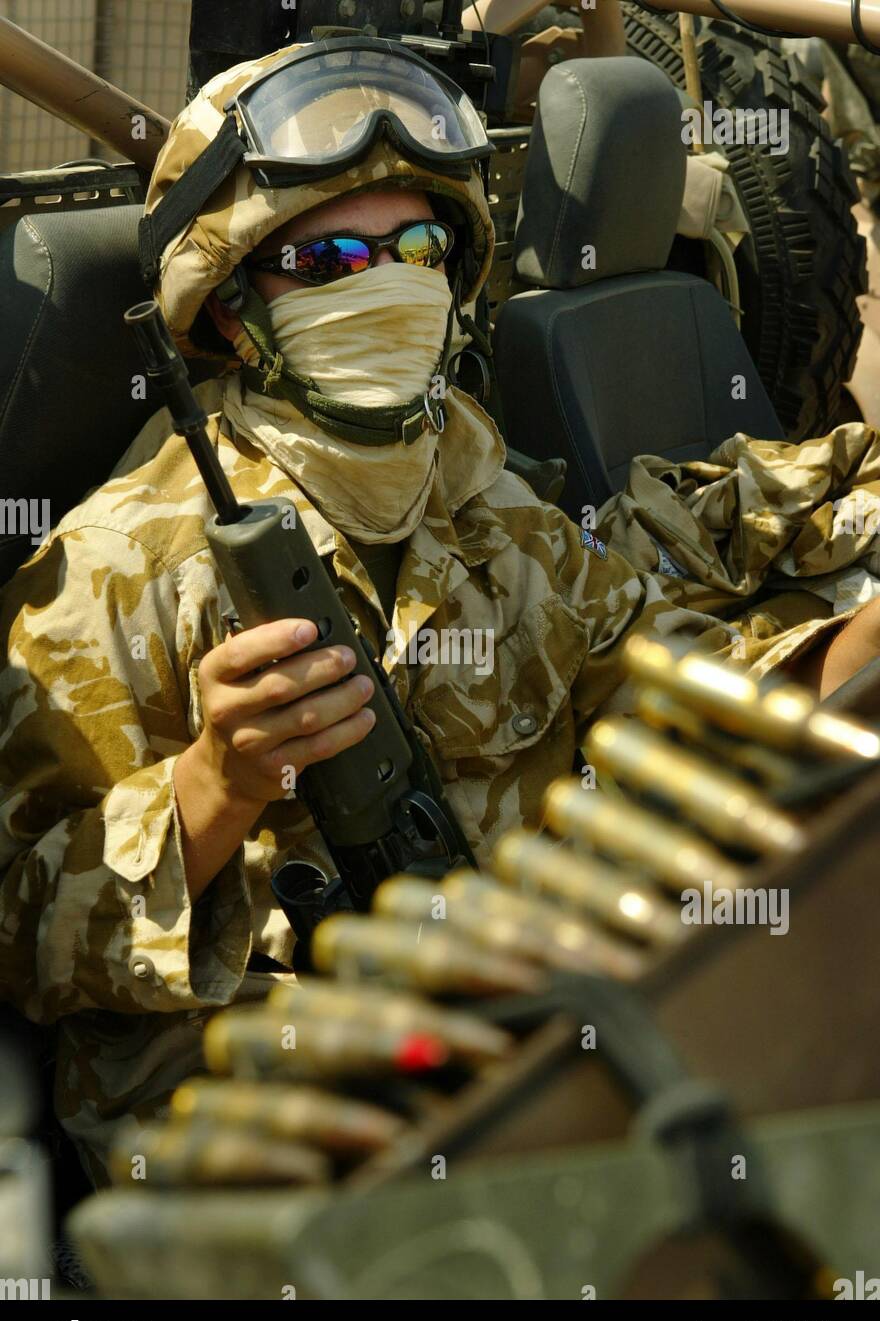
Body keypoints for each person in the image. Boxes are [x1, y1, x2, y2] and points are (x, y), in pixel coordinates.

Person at [1, 36, 879, 1185]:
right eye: (334, 260)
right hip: (254, 1104)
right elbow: (23, 945)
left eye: (418, 246)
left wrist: (850, 661)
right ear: (226, 309)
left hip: (513, 1025)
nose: (390, 282)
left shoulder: (486, 494)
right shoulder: (119, 563)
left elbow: (670, 702)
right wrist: (211, 784)